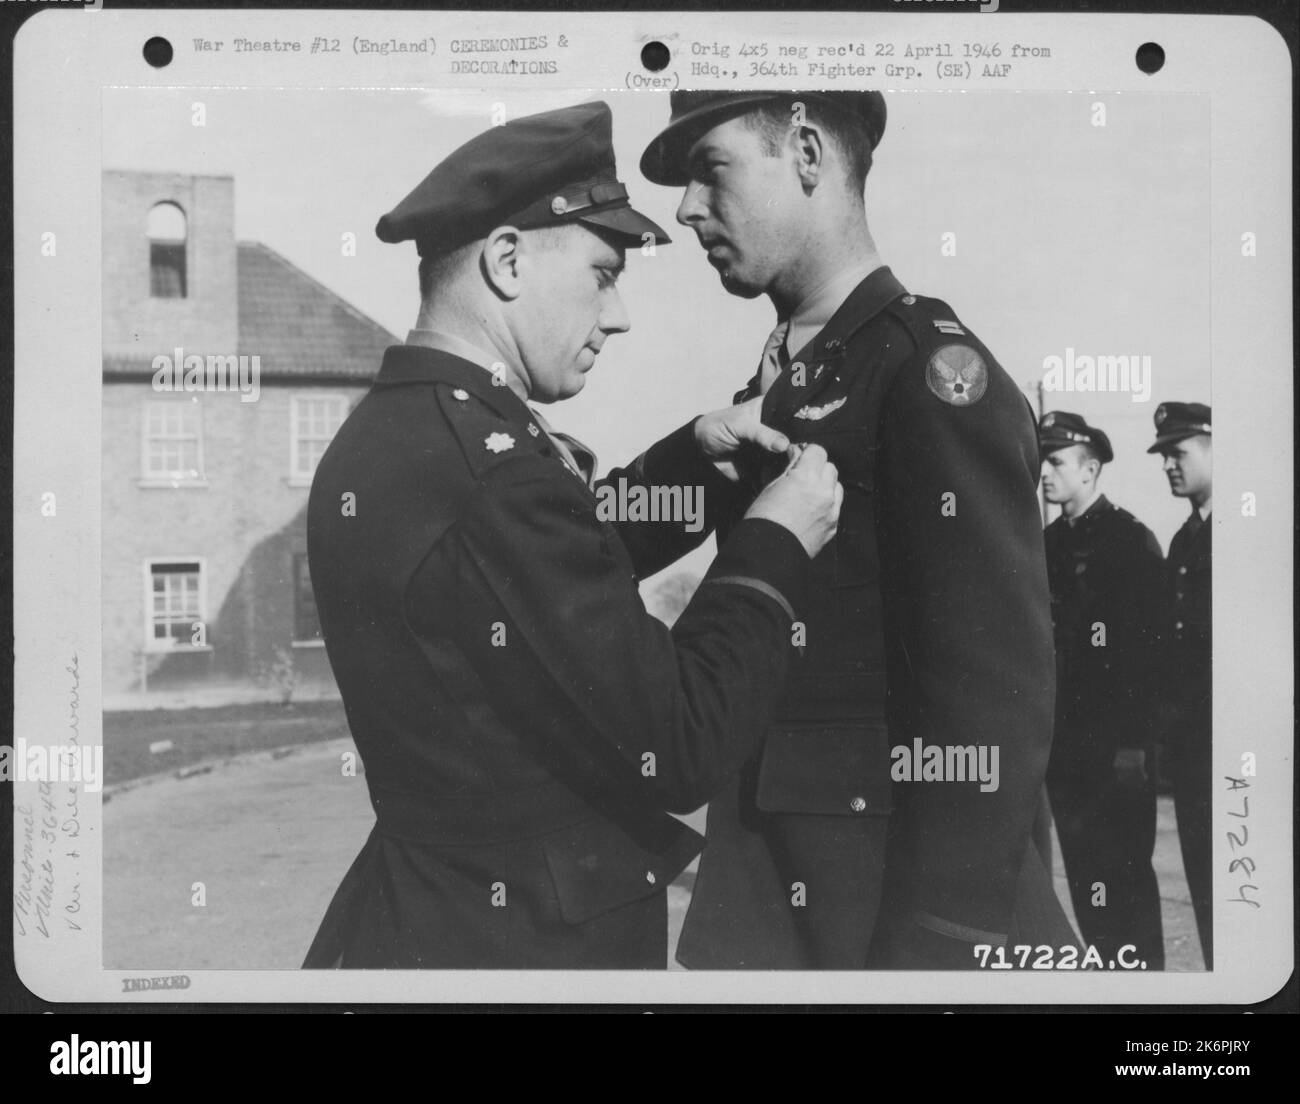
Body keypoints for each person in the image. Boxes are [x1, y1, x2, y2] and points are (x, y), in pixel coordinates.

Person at [302, 100, 843, 969]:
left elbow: (537, 586)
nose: (620, 314)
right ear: (508, 261)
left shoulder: (408, 431)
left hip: (435, 919)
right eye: (602, 272)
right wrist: (771, 545)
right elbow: (678, 744)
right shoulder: (494, 471)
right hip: (522, 948)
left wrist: (693, 465)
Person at [640, 91, 1076, 969]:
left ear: (806, 151)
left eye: (709, 168)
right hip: (779, 889)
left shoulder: (926, 369)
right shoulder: (794, 377)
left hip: (880, 911)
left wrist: (943, 940)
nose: (685, 208)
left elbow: (992, 688)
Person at [1038, 411, 1166, 969]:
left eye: (1056, 461)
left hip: (1115, 755)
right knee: (1089, 885)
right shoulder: (1043, 544)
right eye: (1041, 459)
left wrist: (1135, 747)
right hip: (1065, 753)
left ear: (1090, 470)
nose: (1043, 471)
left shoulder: (1129, 539)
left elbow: (1149, 659)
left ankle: (1150, 1001)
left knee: (1127, 887)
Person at [1149, 401, 1213, 968]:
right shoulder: (1184, 542)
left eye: (1180, 451)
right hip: (1193, 756)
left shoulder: (1246, 535)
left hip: (1235, 756)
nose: (1169, 462)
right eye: (1164, 454)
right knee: (1206, 899)